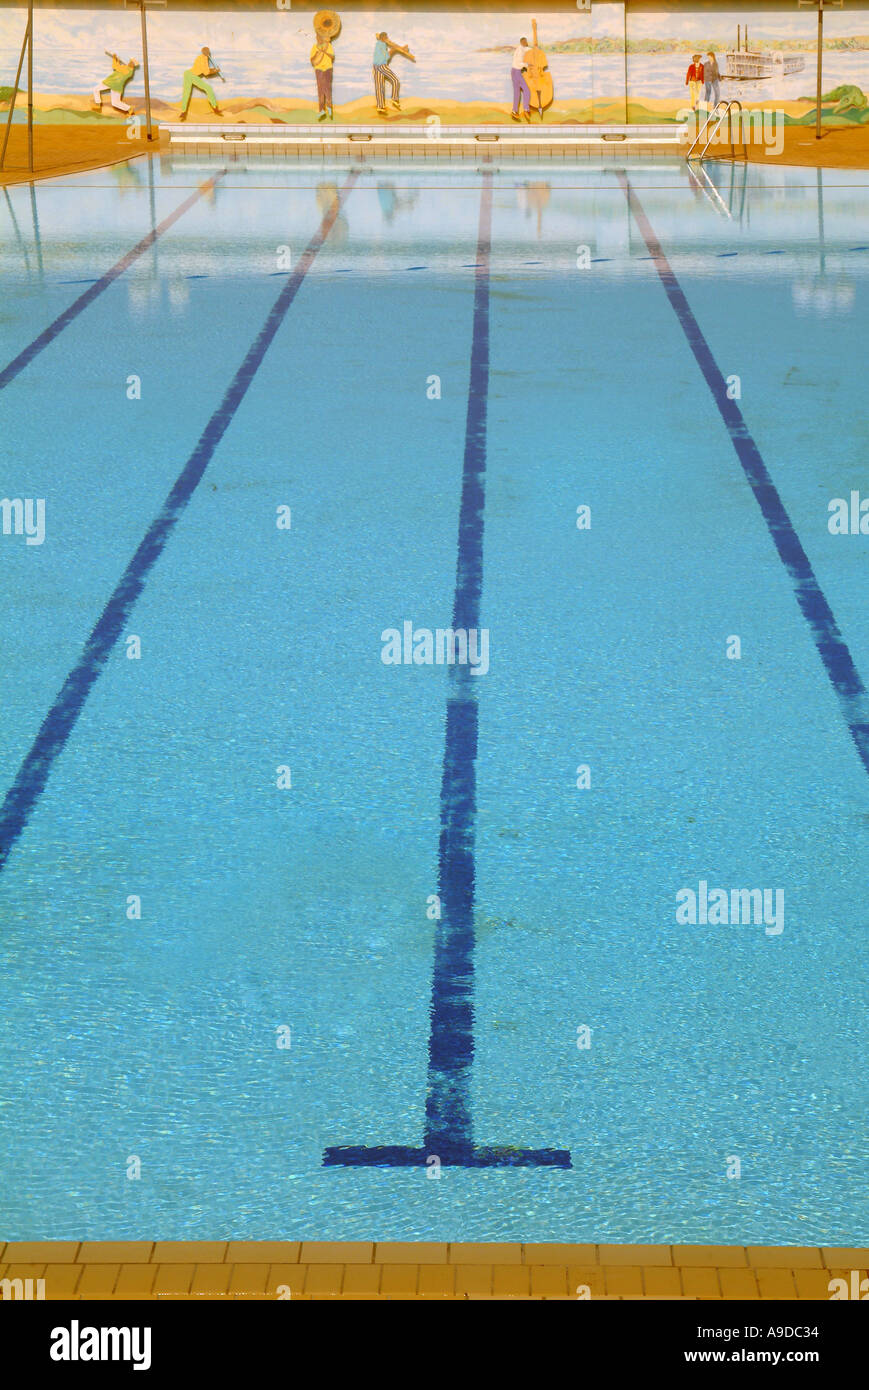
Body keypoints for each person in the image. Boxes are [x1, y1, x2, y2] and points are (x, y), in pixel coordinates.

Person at [178, 47, 224, 121]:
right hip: (190, 75)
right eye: (207, 52)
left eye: (208, 51)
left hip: (188, 74)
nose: (208, 53)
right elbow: (206, 73)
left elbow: (205, 69)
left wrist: (215, 69)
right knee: (208, 88)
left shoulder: (202, 58)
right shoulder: (203, 59)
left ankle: (183, 112)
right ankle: (215, 108)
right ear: (203, 52)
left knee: (186, 94)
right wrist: (216, 70)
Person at [372, 32, 407, 114]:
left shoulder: (378, 44)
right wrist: (393, 50)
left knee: (379, 87)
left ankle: (380, 107)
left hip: (375, 67)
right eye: (386, 37)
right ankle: (394, 99)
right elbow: (386, 56)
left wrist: (400, 48)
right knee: (395, 81)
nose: (387, 39)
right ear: (383, 38)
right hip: (381, 66)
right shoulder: (382, 45)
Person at [311, 33, 335, 121]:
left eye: (319, 37)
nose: (318, 39)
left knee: (327, 89)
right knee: (320, 89)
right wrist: (319, 53)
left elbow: (332, 56)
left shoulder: (328, 46)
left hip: (328, 68)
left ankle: (329, 107)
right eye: (317, 37)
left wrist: (325, 51)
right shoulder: (314, 47)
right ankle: (321, 110)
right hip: (319, 69)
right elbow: (312, 60)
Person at [510, 36, 531, 122]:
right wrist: (527, 65)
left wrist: (534, 49)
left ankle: (514, 111)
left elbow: (528, 49)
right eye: (525, 41)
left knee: (517, 93)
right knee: (527, 90)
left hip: (513, 71)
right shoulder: (520, 50)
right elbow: (519, 62)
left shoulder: (521, 48)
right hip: (517, 72)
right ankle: (526, 109)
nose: (527, 43)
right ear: (522, 42)